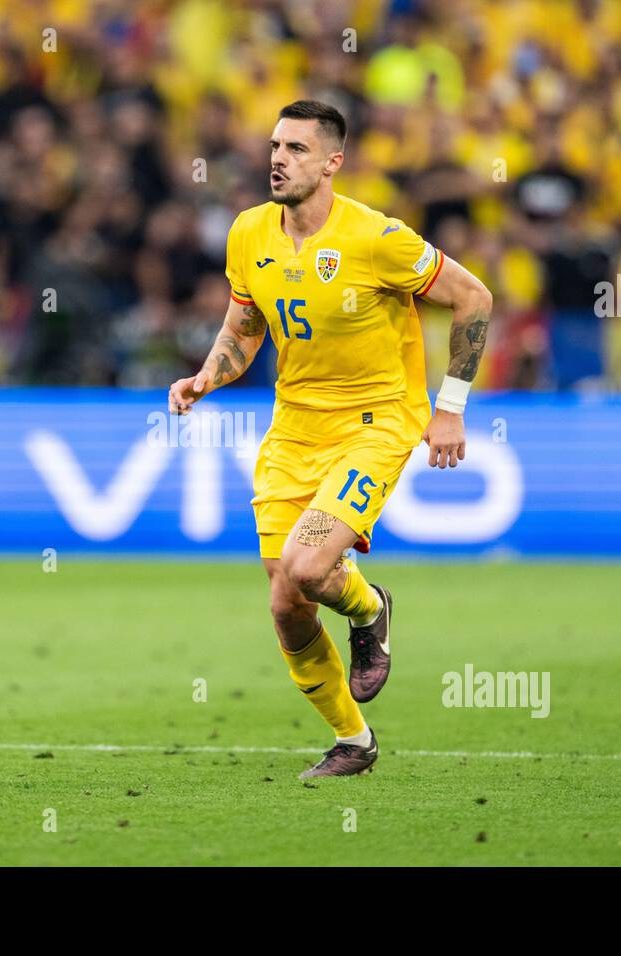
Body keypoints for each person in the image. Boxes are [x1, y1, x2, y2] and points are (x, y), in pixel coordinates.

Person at [168, 101, 493, 778]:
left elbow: (474, 297)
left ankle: (369, 608)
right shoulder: (248, 232)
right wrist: (207, 376)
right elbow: (244, 328)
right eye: (274, 146)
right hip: (293, 429)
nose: (278, 159)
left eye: (296, 149)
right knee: (286, 602)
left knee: (309, 568)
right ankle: (354, 740)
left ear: (331, 163)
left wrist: (451, 408)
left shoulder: (378, 238)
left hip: (375, 423)